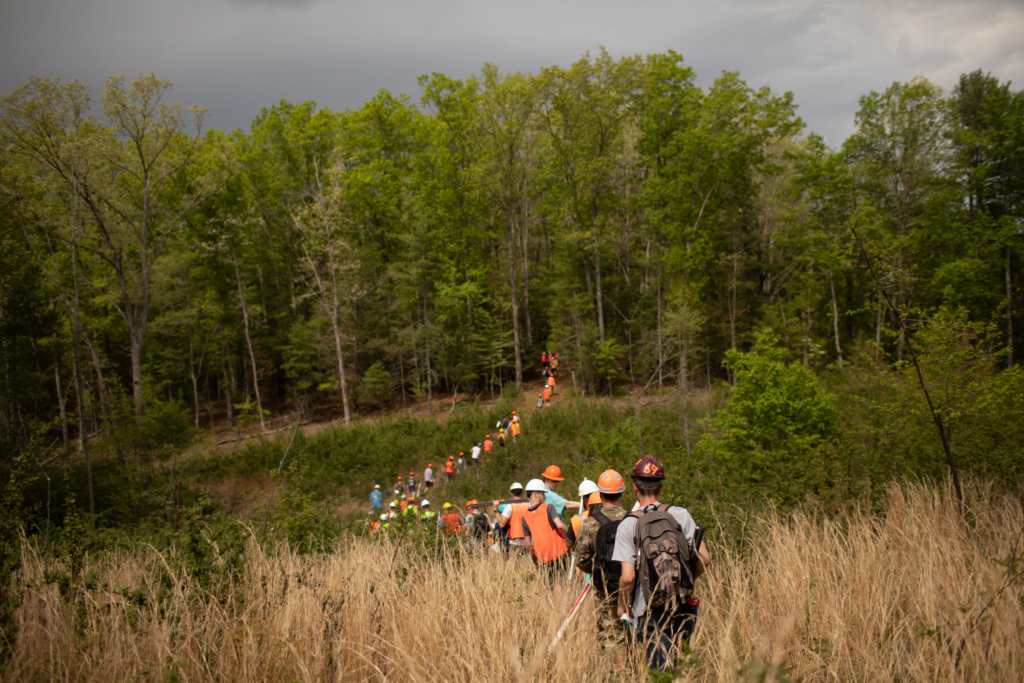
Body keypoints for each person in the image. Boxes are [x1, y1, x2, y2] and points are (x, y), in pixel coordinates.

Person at [613, 456, 712, 671]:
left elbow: (628, 576)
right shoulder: (681, 515)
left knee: (659, 672)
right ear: (661, 487)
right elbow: (705, 558)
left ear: (634, 488)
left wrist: (622, 604)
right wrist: (683, 580)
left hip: (648, 609)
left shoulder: (628, 524)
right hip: (682, 604)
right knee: (679, 668)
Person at [574, 469, 630, 655]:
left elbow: (580, 560)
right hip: (632, 586)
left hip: (604, 589)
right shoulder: (634, 519)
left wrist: (599, 569)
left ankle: (618, 674)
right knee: (635, 631)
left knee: (611, 635)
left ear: (599, 493)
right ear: (621, 493)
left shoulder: (590, 523)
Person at [521, 479, 574, 577]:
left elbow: (528, 545)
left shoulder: (524, 517)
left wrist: (536, 563)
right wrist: (572, 537)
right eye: (543, 494)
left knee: (550, 586)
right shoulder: (548, 507)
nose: (545, 497)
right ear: (536, 494)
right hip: (560, 552)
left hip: (543, 557)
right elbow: (560, 525)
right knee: (565, 582)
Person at [494, 483, 528, 552]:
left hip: (514, 542)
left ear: (511, 493)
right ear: (522, 492)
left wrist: (495, 509)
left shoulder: (509, 506)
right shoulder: (529, 505)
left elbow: (501, 524)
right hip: (528, 540)